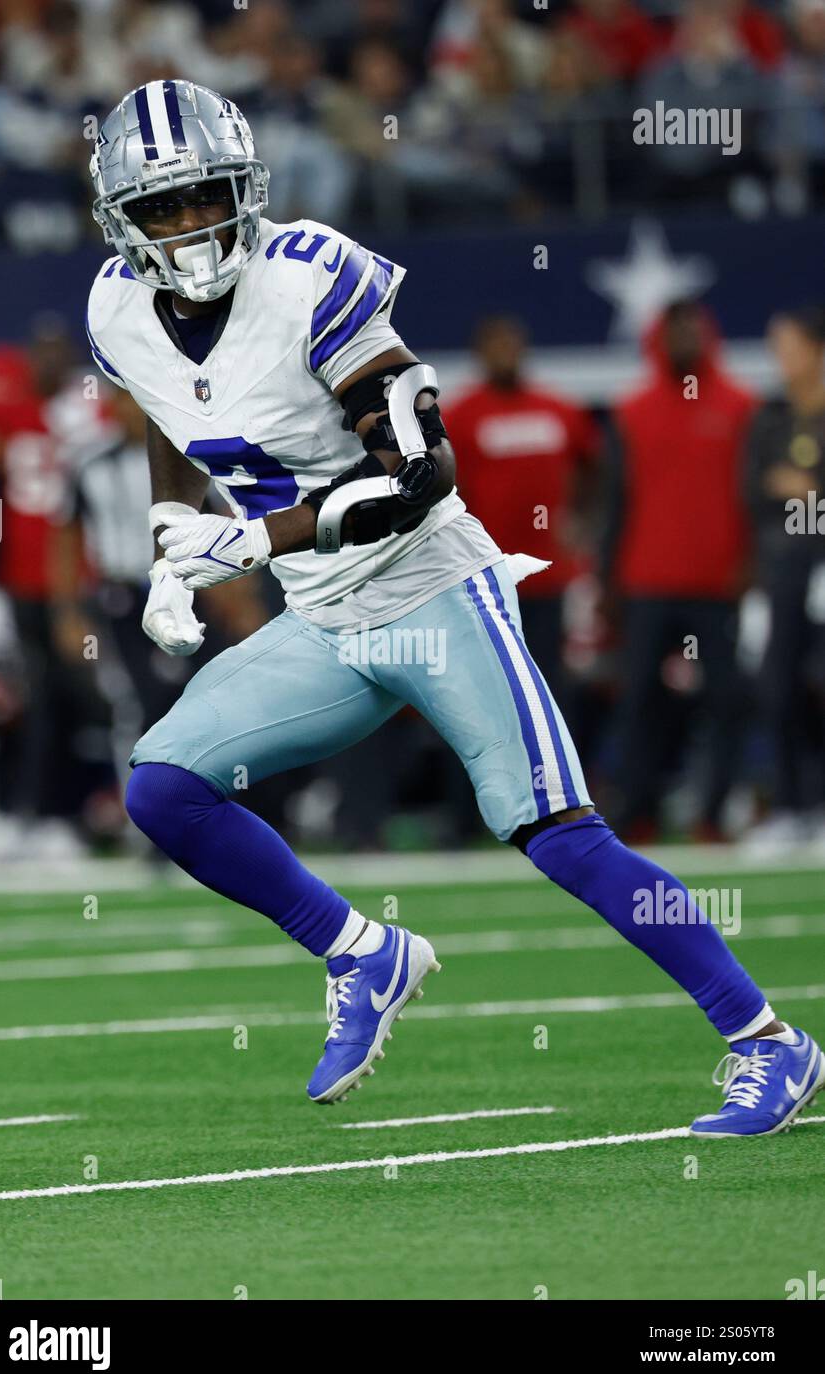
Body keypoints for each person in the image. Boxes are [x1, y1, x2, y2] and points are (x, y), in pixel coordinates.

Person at [87, 79, 823, 1133]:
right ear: (120, 218)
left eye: (204, 196)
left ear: (244, 187)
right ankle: (362, 955)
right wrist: (169, 540)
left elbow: (418, 476)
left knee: (555, 831)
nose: (189, 225)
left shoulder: (309, 279)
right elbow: (169, 405)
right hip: (324, 618)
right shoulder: (117, 307)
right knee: (162, 788)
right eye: (161, 207)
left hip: (430, 588)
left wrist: (249, 539)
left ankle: (769, 1041)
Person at [602, 300, 753, 842]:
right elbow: (616, 502)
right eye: (675, 329)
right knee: (639, 700)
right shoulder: (632, 411)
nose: (686, 338)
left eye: (694, 327)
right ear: (658, 338)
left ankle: (713, 815)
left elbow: (753, 500)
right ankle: (636, 811)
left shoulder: (741, 407)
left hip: (718, 585)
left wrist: (749, 565)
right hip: (646, 582)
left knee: (726, 701)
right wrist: (607, 579)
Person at [446, 314, 600, 700]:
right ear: (479, 354)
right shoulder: (459, 416)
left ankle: (556, 761)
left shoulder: (558, 409)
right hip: (487, 576)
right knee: (491, 686)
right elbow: (442, 491)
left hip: (549, 573)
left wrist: (583, 521)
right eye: (496, 347)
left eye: (511, 346)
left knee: (551, 681)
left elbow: (596, 467)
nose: (505, 355)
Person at [744, 306, 825, 847]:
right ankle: (794, 806)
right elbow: (753, 493)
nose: (781, 358)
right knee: (778, 688)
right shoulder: (771, 419)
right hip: (783, 572)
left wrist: (809, 493)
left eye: (789, 345)